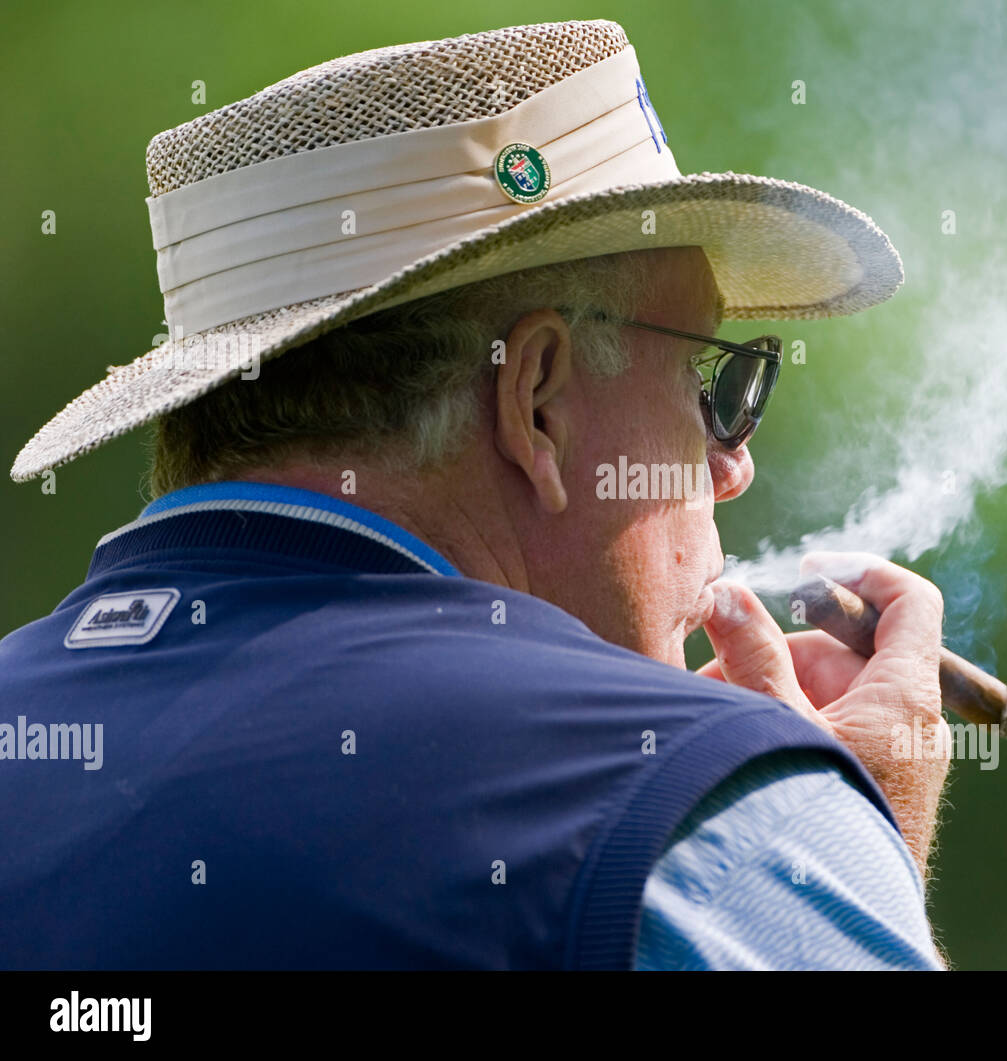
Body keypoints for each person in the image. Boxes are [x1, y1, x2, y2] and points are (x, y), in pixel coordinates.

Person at [1, 19, 951, 970]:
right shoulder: (711, 813)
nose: (731, 464)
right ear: (534, 400)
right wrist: (841, 838)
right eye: (712, 383)